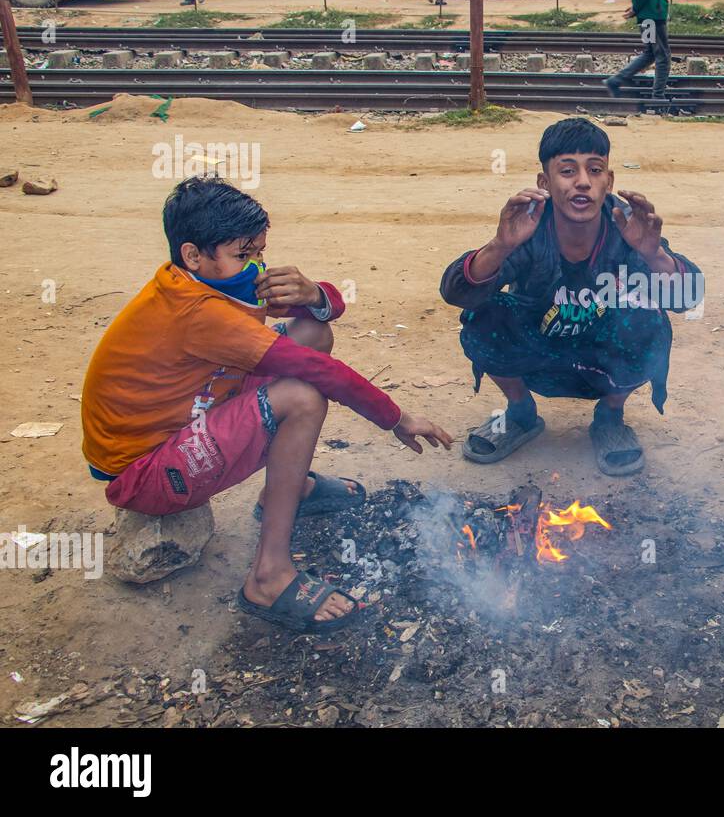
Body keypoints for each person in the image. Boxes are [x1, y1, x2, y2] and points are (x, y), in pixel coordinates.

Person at [82, 178, 453, 632]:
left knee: (313, 333)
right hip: (147, 475)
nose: (257, 264)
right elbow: (320, 374)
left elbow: (324, 315)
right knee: (302, 397)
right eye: (244, 254)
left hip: (185, 418)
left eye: (260, 251)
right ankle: (269, 576)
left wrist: (314, 294)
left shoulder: (211, 279)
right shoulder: (197, 311)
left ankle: (286, 488)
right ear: (193, 254)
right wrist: (397, 418)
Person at [440, 118, 703, 476]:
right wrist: (500, 246)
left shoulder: (626, 226)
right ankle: (520, 414)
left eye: (595, 170)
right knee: (482, 315)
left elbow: (688, 299)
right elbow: (456, 293)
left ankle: (610, 418)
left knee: (647, 319)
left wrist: (653, 255)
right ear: (544, 183)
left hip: (601, 356)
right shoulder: (530, 226)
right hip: (536, 352)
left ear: (608, 180)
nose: (582, 181)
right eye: (567, 171)